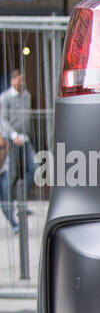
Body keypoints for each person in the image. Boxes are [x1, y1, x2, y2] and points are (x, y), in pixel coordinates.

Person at [0, 69, 35, 214]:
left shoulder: (27, 96)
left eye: (23, 80)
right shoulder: (5, 97)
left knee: (35, 169)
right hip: (11, 139)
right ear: (12, 81)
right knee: (12, 173)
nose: (21, 83)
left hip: (25, 138)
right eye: (19, 80)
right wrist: (13, 135)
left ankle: (22, 202)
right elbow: (3, 119)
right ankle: (9, 205)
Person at [0, 108, 26, 234]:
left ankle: (14, 224)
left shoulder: (5, 133)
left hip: (3, 171)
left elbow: (6, 147)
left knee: (5, 201)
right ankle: (15, 225)